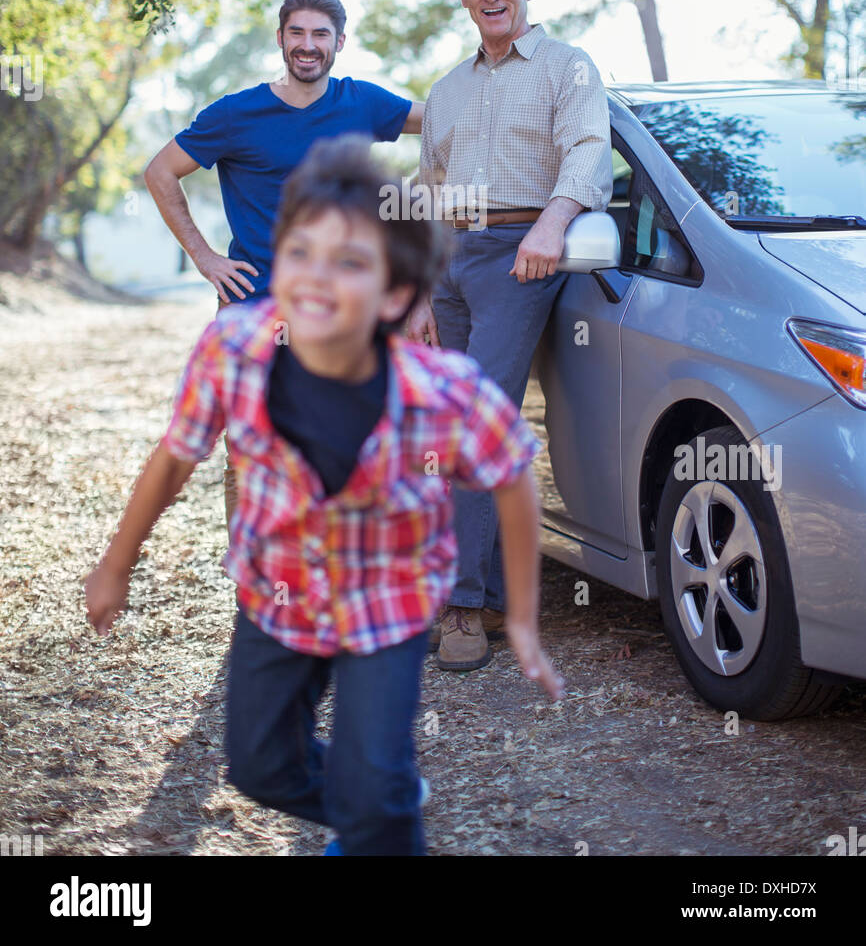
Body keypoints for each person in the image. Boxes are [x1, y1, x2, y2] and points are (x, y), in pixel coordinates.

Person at [84, 135, 563, 857]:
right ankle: (376, 802)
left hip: (389, 598)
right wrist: (117, 564)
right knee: (260, 766)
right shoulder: (234, 352)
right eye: (301, 253)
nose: (314, 278)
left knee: (376, 797)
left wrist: (521, 616)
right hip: (279, 592)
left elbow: (511, 475)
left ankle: (377, 815)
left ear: (397, 294)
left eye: (349, 262)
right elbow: (176, 457)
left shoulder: (442, 391)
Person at [407, 0, 613, 673]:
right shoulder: (447, 89)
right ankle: (488, 597)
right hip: (451, 264)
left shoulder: (569, 67)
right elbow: (428, 190)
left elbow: (589, 149)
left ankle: (459, 606)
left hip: (522, 257)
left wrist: (554, 223)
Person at [144, 0, 423, 525]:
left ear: (339, 42)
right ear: (280, 38)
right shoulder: (236, 114)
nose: (307, 45)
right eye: (297, 32)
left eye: (320, 34)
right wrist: (204, 257)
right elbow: (159, 172)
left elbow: (447, 122)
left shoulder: (362, 102)